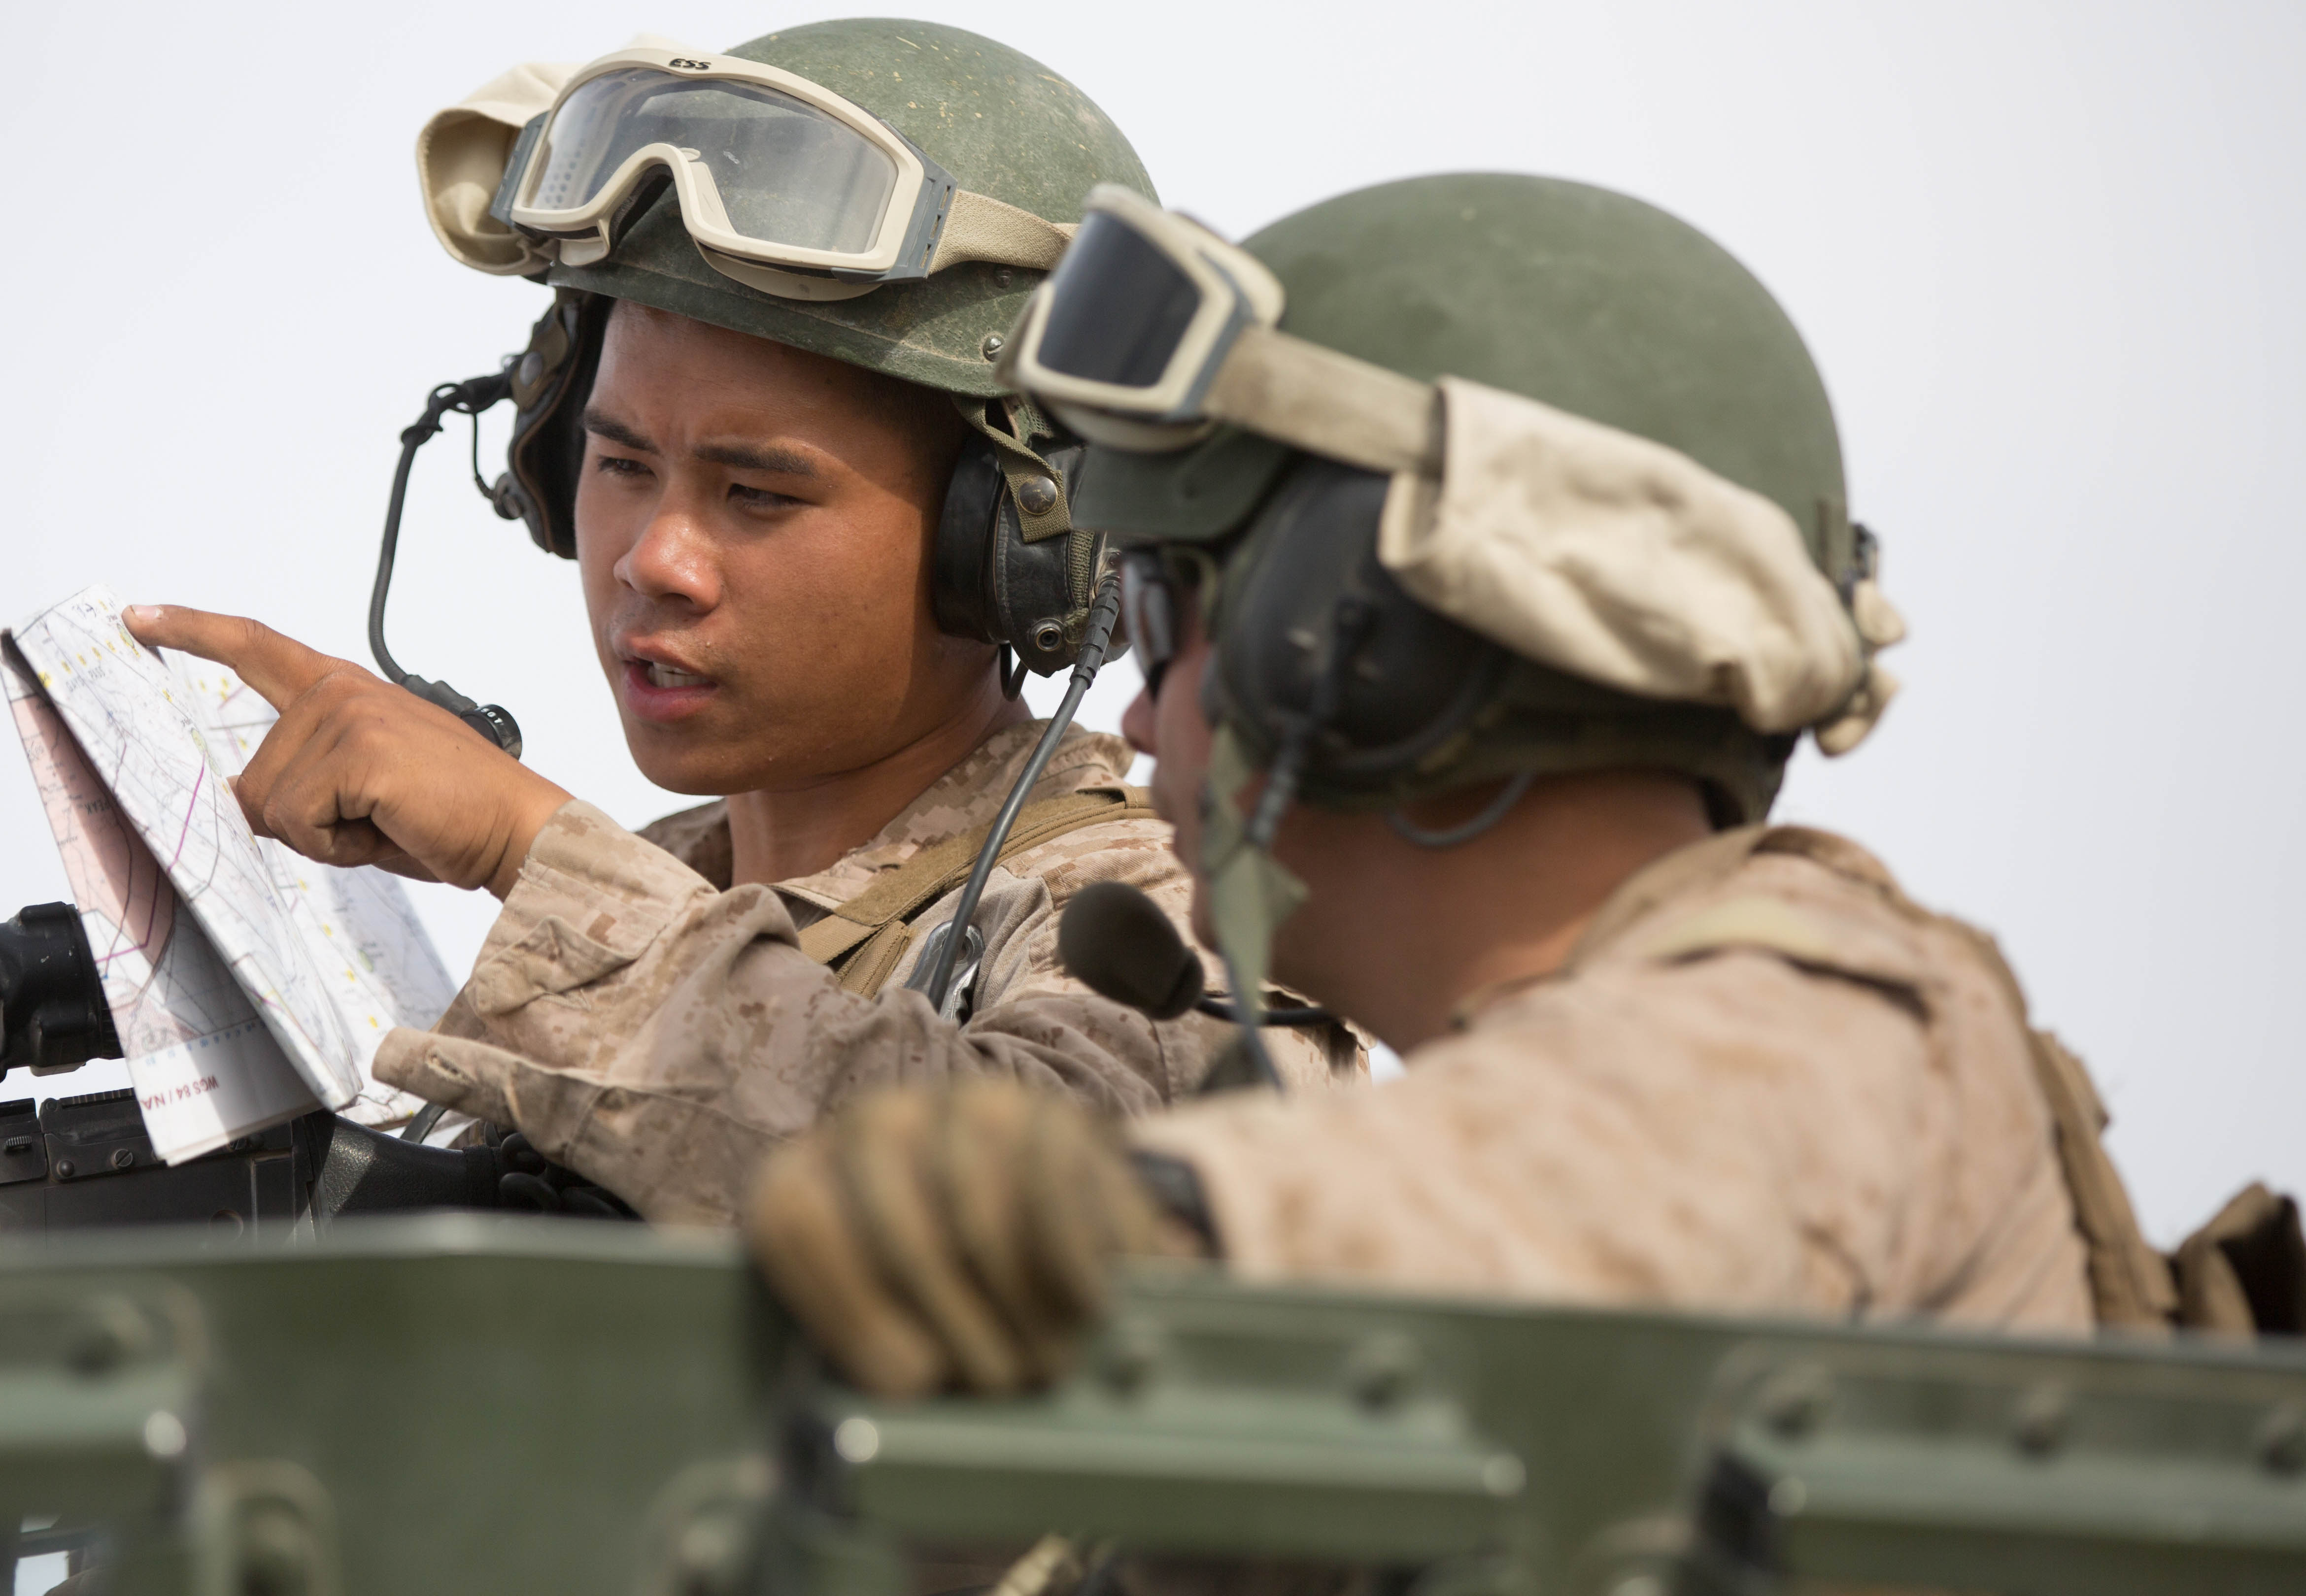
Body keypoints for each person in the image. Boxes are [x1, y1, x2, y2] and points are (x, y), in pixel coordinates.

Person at [745, 173, 2232, 1400]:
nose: (1134, 716)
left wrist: (1128, 1223)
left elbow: (1559, 1177)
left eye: (1168, 615)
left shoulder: (1846, 1031)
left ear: (1370, 649)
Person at [124, 21, 1355, 1226]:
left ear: (1010, 544)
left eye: (759, 493)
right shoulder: (670, 883)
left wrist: (523, 850)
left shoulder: (1150, 910)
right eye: (618, 464)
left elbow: (1074, 1222)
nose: (654, 561)